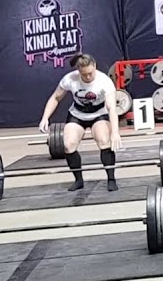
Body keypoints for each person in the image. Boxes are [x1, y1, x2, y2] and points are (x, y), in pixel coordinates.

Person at [38, 54, 124, 191]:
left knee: (104, 140)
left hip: (99, 115)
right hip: (77, 114)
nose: (88, 77)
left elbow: (112, 109)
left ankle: (111, 179)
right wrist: (45, 118)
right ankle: (78, 180)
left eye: (90, 73)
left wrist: (115, 133)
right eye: (84, 75)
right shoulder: (70, 79)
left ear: (95, 66)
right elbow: (55, 97)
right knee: (68, 145)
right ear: (78, 70)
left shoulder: (105, 81)